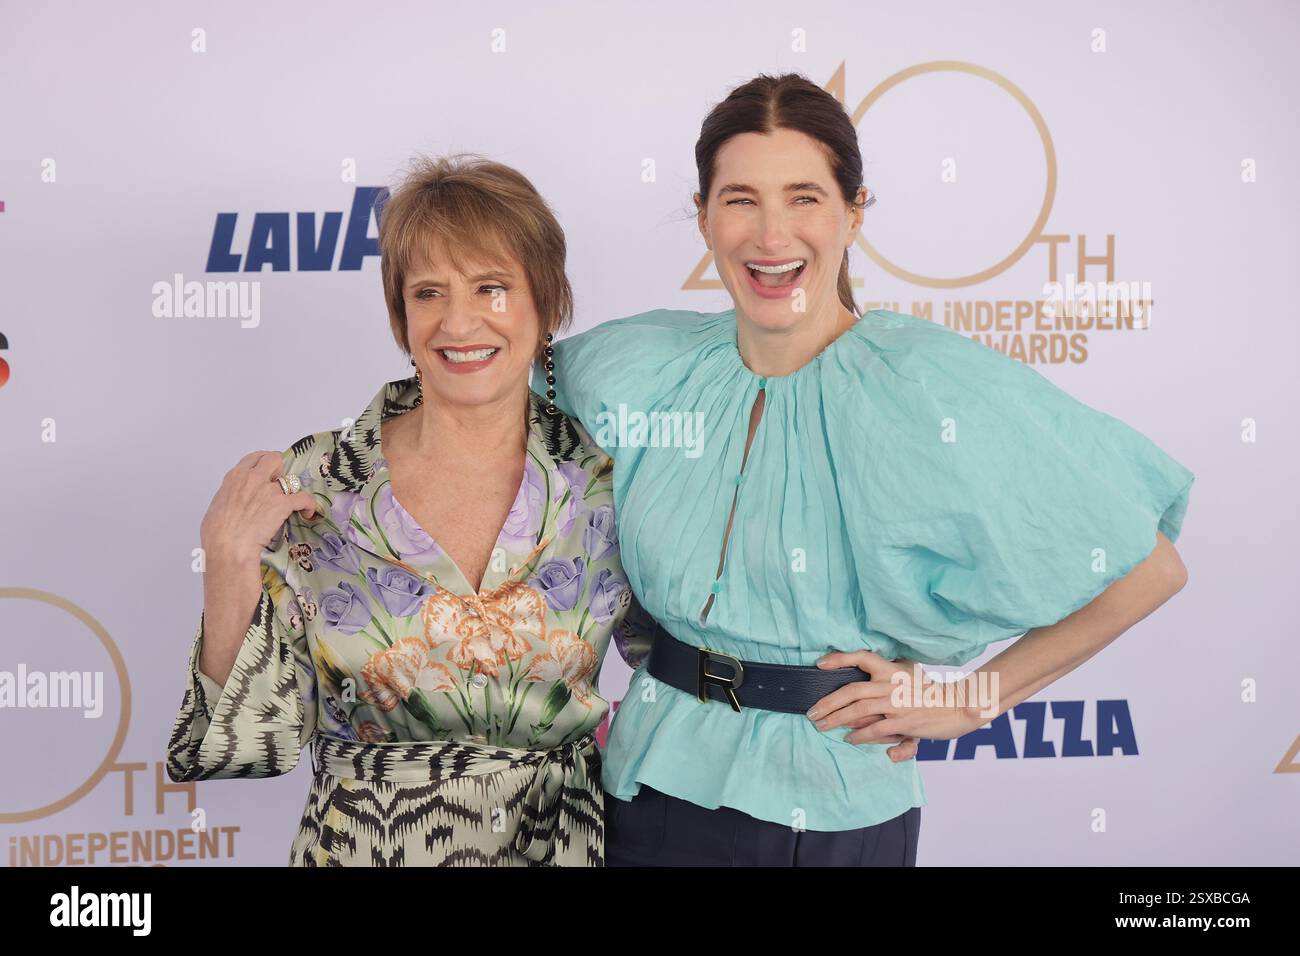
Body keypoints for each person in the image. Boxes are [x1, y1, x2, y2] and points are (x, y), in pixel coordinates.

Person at [542, 73, 1193, 866]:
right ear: (705, 216)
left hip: (831, 810)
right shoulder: (638, 366)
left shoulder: (928, 387)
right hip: (644, 790)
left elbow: (1149, 568)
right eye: (741, 198)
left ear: (853, 213)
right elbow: (485, 381)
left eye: (805, 198)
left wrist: (970, 699)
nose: (771, 234)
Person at [166, 155, 640, 867]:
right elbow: (249, 748)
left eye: (492, 287)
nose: (459, 320)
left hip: (565, 847)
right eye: (427, 292)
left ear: (545, 304)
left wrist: (864, 682)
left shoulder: (608, 480)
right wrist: (227, 564)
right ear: (401, 317)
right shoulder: (318, 481)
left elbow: (697, 658)